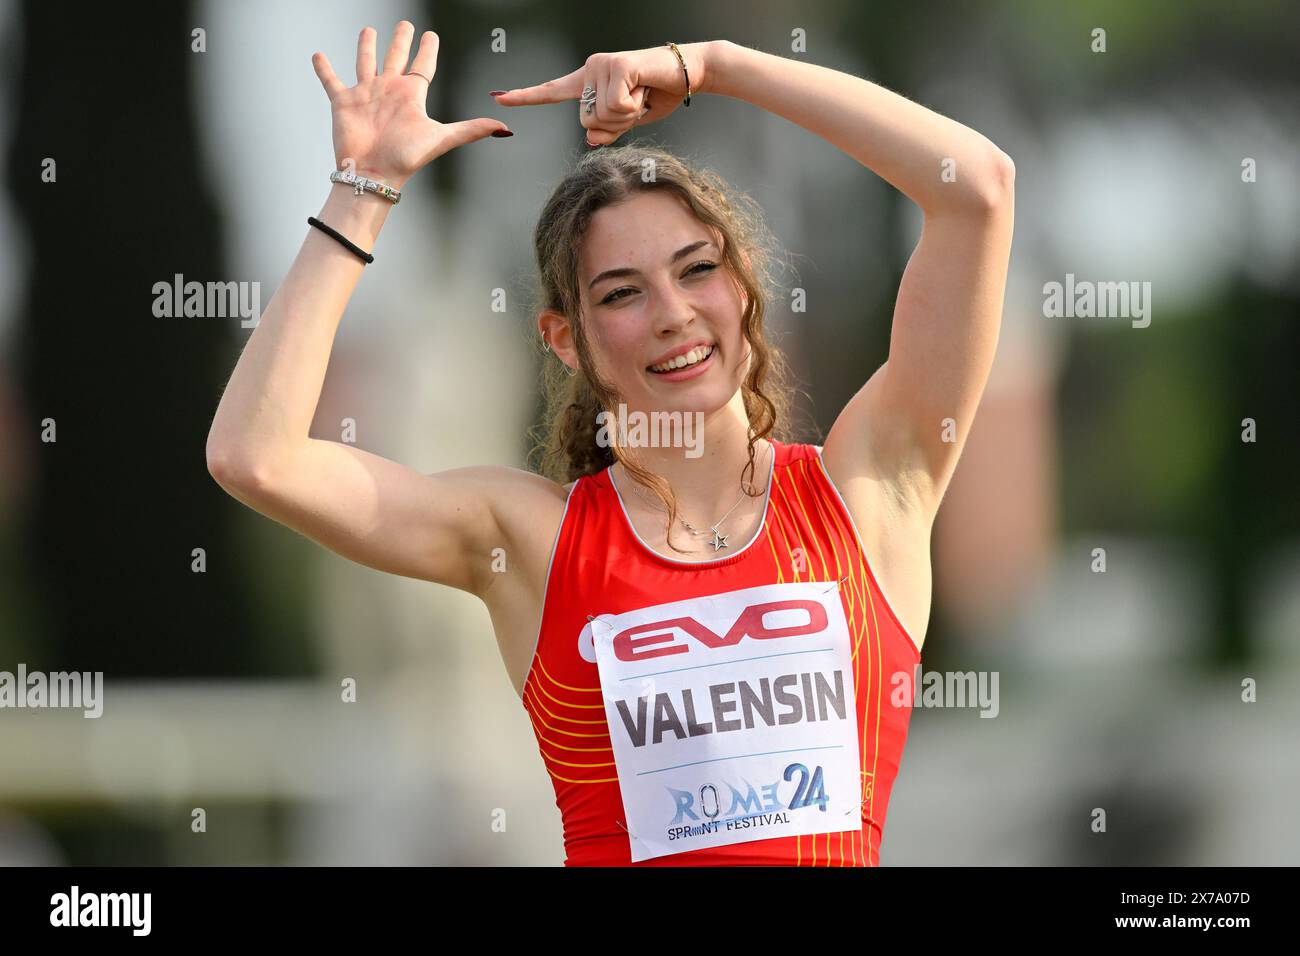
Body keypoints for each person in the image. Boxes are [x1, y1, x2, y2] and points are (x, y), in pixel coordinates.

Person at [205, 22, 1015, 866]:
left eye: (698, 269)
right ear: (567, 340)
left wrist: (716, 65)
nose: (672, 311)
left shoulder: (867, 490)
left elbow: (979, 189)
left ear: (743, 288)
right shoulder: (528, 538)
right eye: (623, 293)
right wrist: (363, 188)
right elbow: (255, 456)